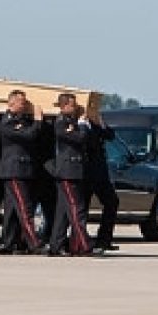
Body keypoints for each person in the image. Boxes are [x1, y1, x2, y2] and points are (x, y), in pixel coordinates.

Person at [48, 94, 100, 257]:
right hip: (67, 172)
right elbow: (79, 138)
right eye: (72, 105)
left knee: (63, 212)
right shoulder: (61, 122)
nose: (75, 107)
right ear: (63, 107)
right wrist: (83, 125)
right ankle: (85, 245)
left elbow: (90, 141)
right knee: (76, 210)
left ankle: (57, 245)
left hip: (75, 171)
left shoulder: (72, 122)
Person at [0, 90, 43, 254]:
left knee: (11, 210)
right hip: (14, 170)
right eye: (21, 103)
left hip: (22, 170)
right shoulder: (7, 122)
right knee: (25, 208)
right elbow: (29, 135)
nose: (24, 106)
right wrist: (38, 121)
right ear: (11, 104)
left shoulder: (22, 120)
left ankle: (9, 243)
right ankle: (33, 242)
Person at [82, 105, 119, 252]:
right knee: (82, 208)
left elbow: (110, 135)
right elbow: (87, 142)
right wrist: (85, 123)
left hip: (101, 174)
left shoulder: (96, 125)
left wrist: (100, 122)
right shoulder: (81, 125)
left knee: (112, 202)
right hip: (86, 174)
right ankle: (80, 239)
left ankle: (104, 239)